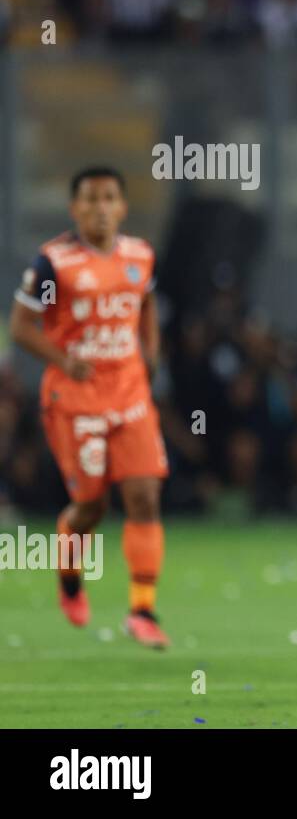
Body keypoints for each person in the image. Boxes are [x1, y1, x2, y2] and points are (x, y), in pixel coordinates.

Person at [8, 167, 171, 648]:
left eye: (109, 198)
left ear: (122, 206)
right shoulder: (54, 264)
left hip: (130, 393)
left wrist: (152, 351)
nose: (100, 207)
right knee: (90, 507)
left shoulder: (140, 255)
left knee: (144, 495)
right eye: (89, 199)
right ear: (74, 208)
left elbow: (145, 302)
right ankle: (69, 572)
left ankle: (142, 610)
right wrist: (63, 359)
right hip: (75, 400)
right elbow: (22, 326)